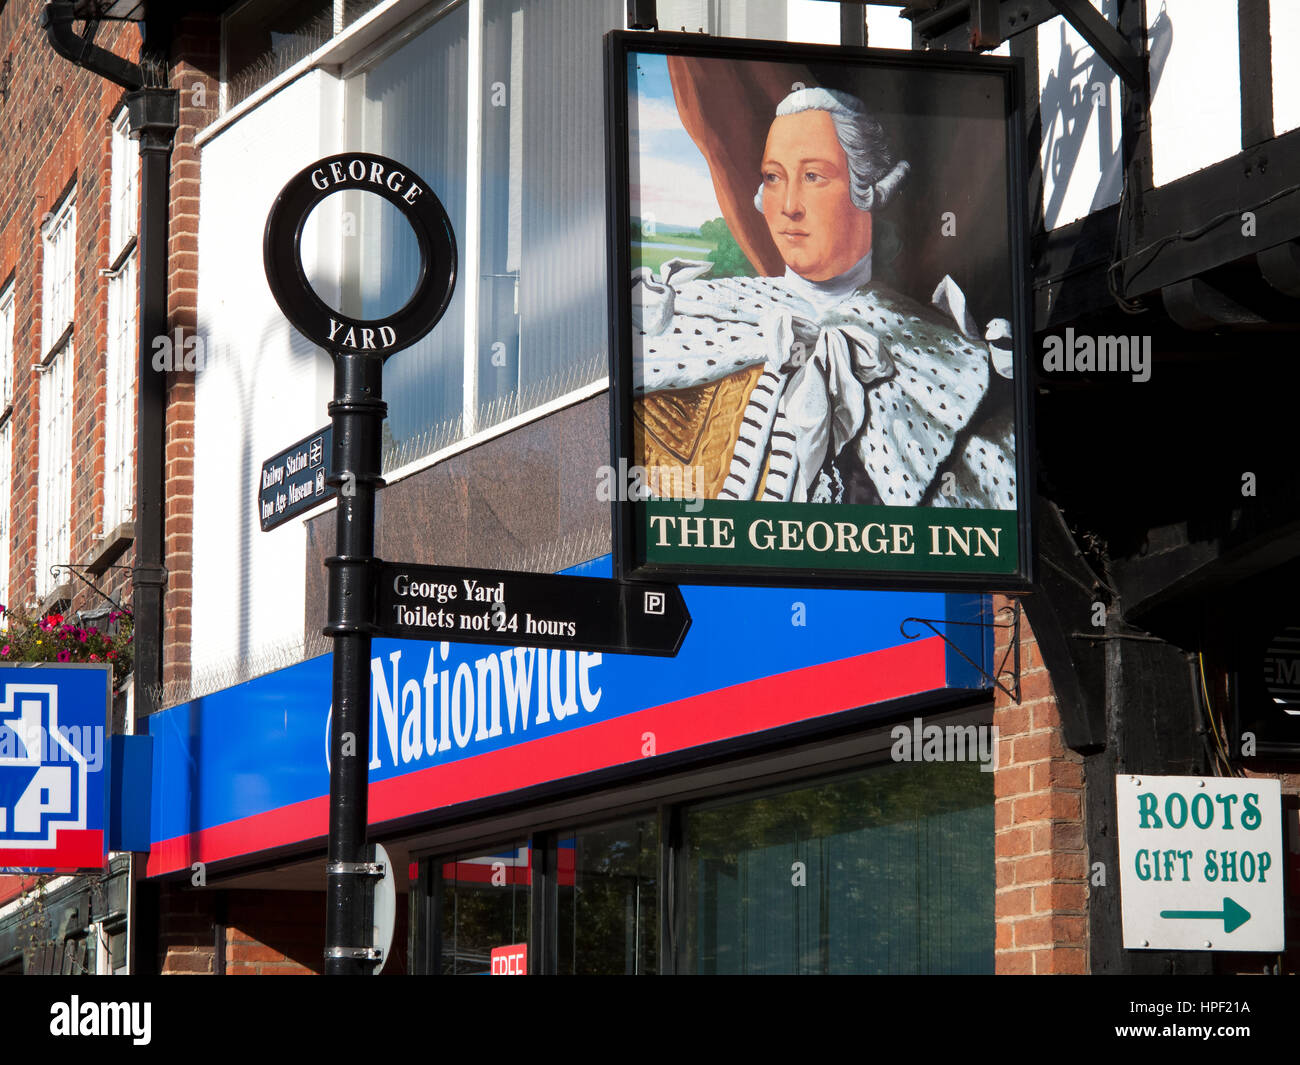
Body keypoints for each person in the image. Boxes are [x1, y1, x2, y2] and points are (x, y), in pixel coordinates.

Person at [632, 87, 1015, 510]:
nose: (789, 206)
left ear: (867, 187)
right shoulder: (693, 318)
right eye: (774, 178)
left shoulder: (946, 360)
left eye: (813, 176)